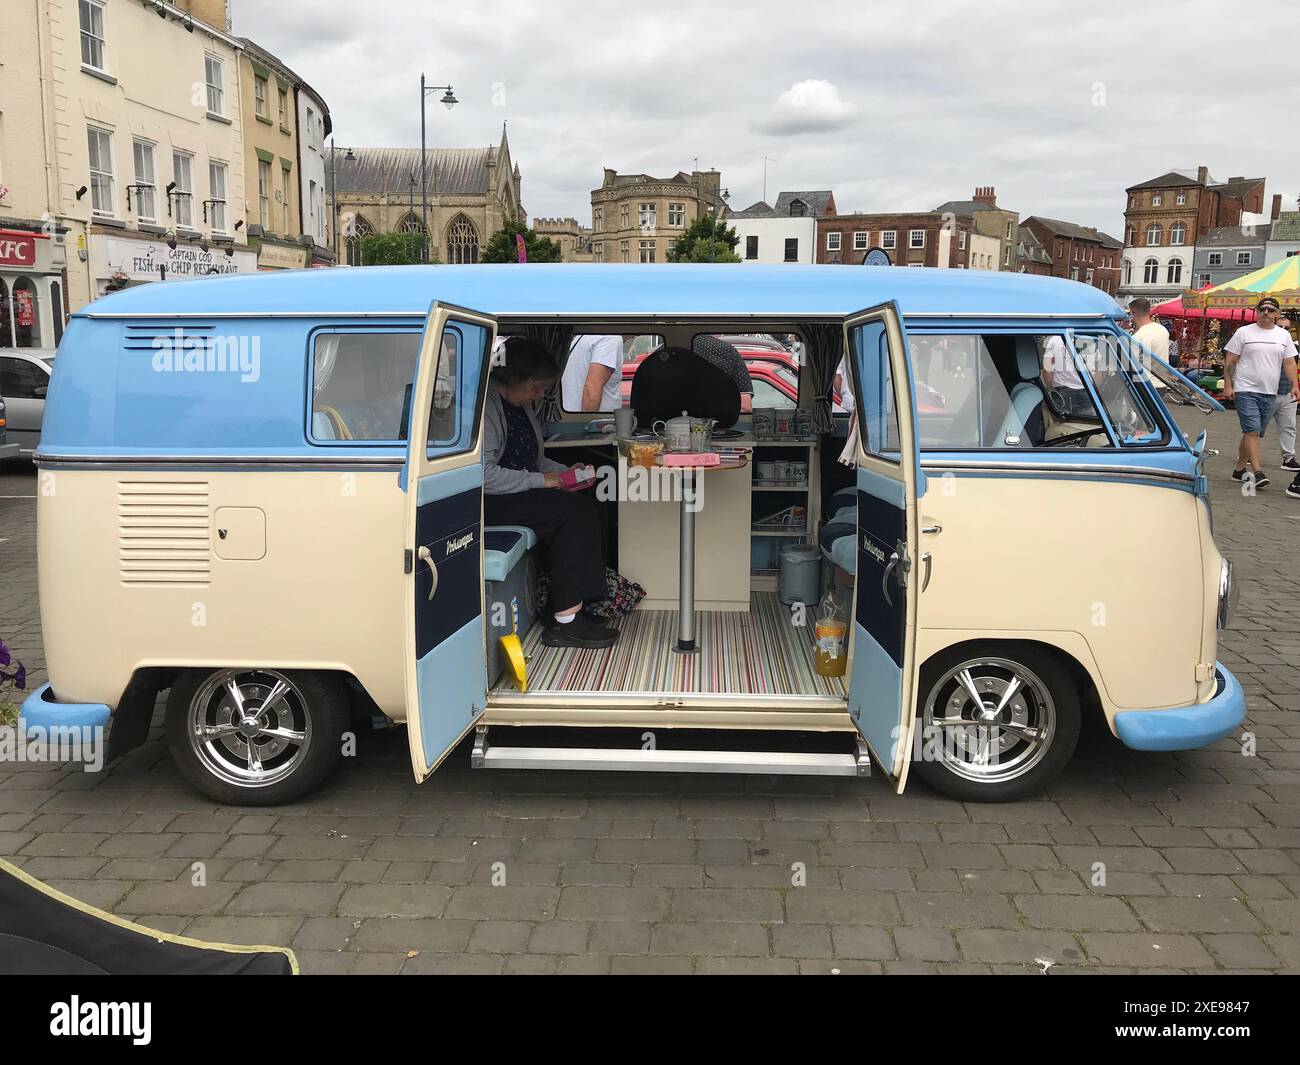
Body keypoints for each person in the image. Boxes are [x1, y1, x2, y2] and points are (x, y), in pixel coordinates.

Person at [484, 337, 618, 648]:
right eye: (536, 387)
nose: (540, 394)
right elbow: (485, 475)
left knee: (593, 502)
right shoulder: (488, 408)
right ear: (514, 378)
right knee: (572, 513)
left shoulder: (523, 407)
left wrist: (568, 474)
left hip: (517, 493)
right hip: (489, 500)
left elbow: (537, 460)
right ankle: (564, 622)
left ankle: (584, 602)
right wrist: (545, 482)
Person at [1222, 297, 1298, 491]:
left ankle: (1239, 470)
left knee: (1252, 432)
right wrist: (1229, 385)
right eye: (1262, 309)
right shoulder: (1244, 332)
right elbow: (1230, 361)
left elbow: (1289, 363)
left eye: (1271, 309)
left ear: (1277, 314)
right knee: (1253, 431)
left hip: (1270, 391)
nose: (1266, 312)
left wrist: (1295, 385)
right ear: (1257, 312)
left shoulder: (1283, 336)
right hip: (1246, 389)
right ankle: (1257, 472)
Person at [560, 334, 624, 412]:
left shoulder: (581, 338)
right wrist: (587, 421)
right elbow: (592, 388)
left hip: (570, 415)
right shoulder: (610, 337)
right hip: (593, 421)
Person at [1273, 315, 1299, 473]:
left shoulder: (1294, 348)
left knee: (1289, 426)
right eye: (1280, 327)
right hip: (1266, 392)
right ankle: (1248, 454)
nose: (1283, 330)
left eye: (1287, 328)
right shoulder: (1268, 344)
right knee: (1256, 429)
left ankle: (1288, 457)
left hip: (1287, 391)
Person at [1129, 298, 1170, 363]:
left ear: (1132, 312)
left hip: (1146, 373)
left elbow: (1131, 363)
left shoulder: (1138, 336)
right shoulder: (1162, 329)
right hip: (1163, 372)